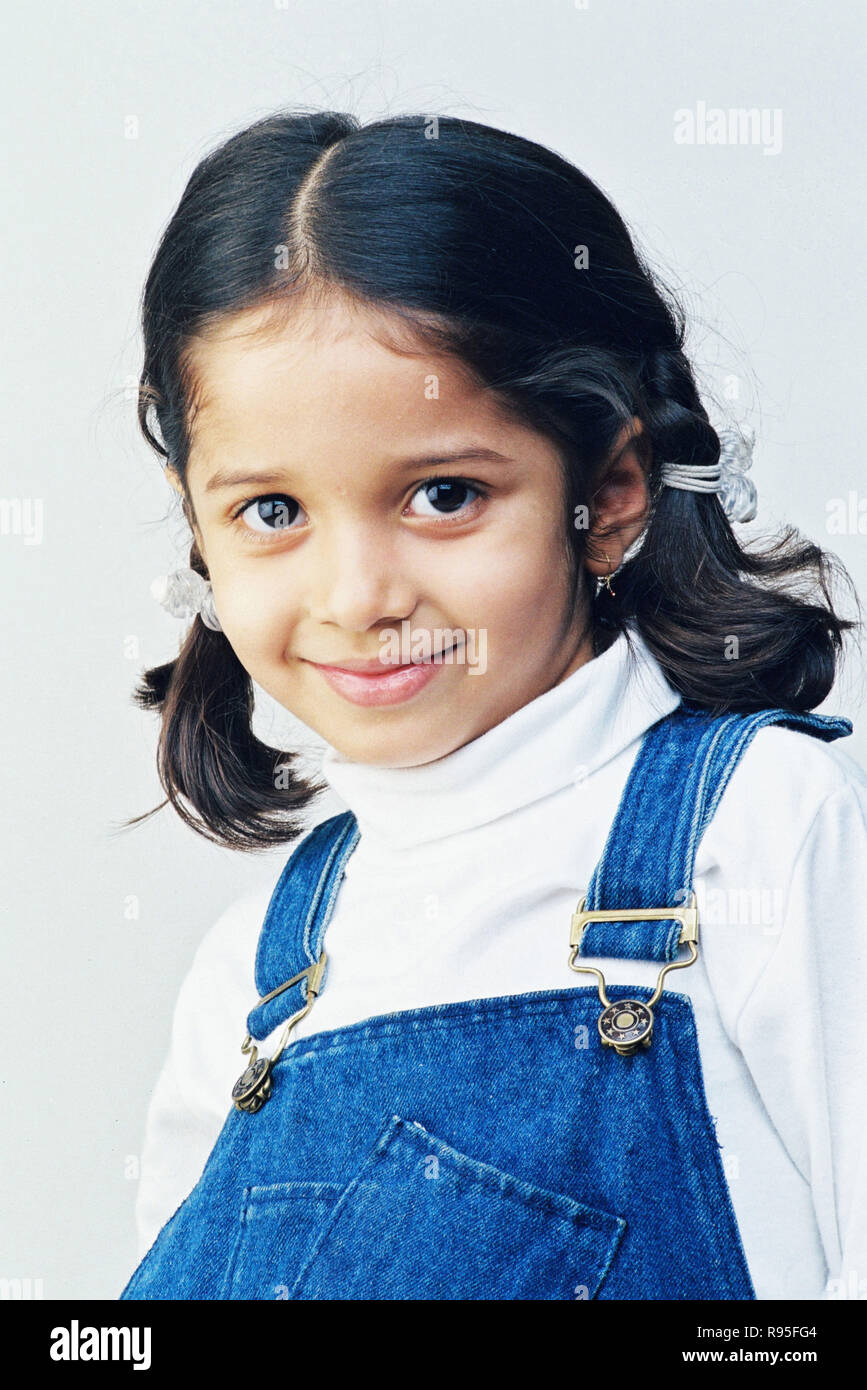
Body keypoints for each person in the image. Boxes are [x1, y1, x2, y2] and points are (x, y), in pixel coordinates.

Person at [118, 109, 866, 1301]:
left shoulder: (767, 836)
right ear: (198, 526)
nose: (358, 595)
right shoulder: (252, 983)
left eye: (444, 494)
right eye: (272, 512)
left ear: (610, 492)